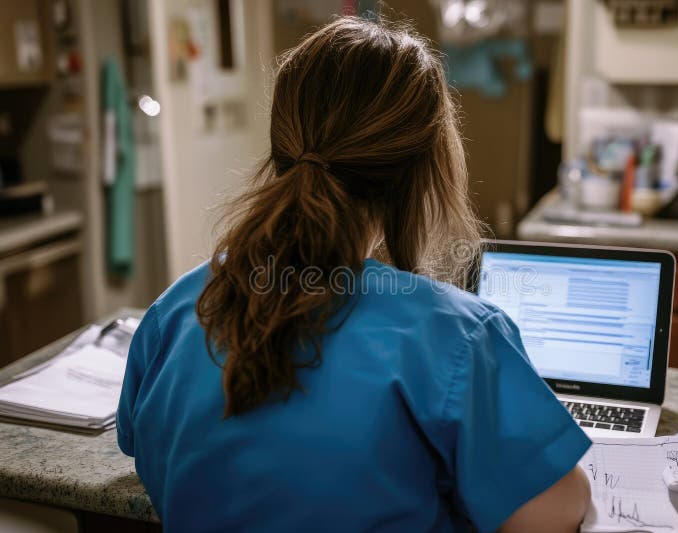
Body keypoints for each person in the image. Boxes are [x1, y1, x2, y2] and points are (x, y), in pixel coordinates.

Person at [117, 16, 591, 533]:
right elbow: (553, 512)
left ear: (281, 146)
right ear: (424, 168)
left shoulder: (178, 310)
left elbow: (142, 448)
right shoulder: (458, 336)